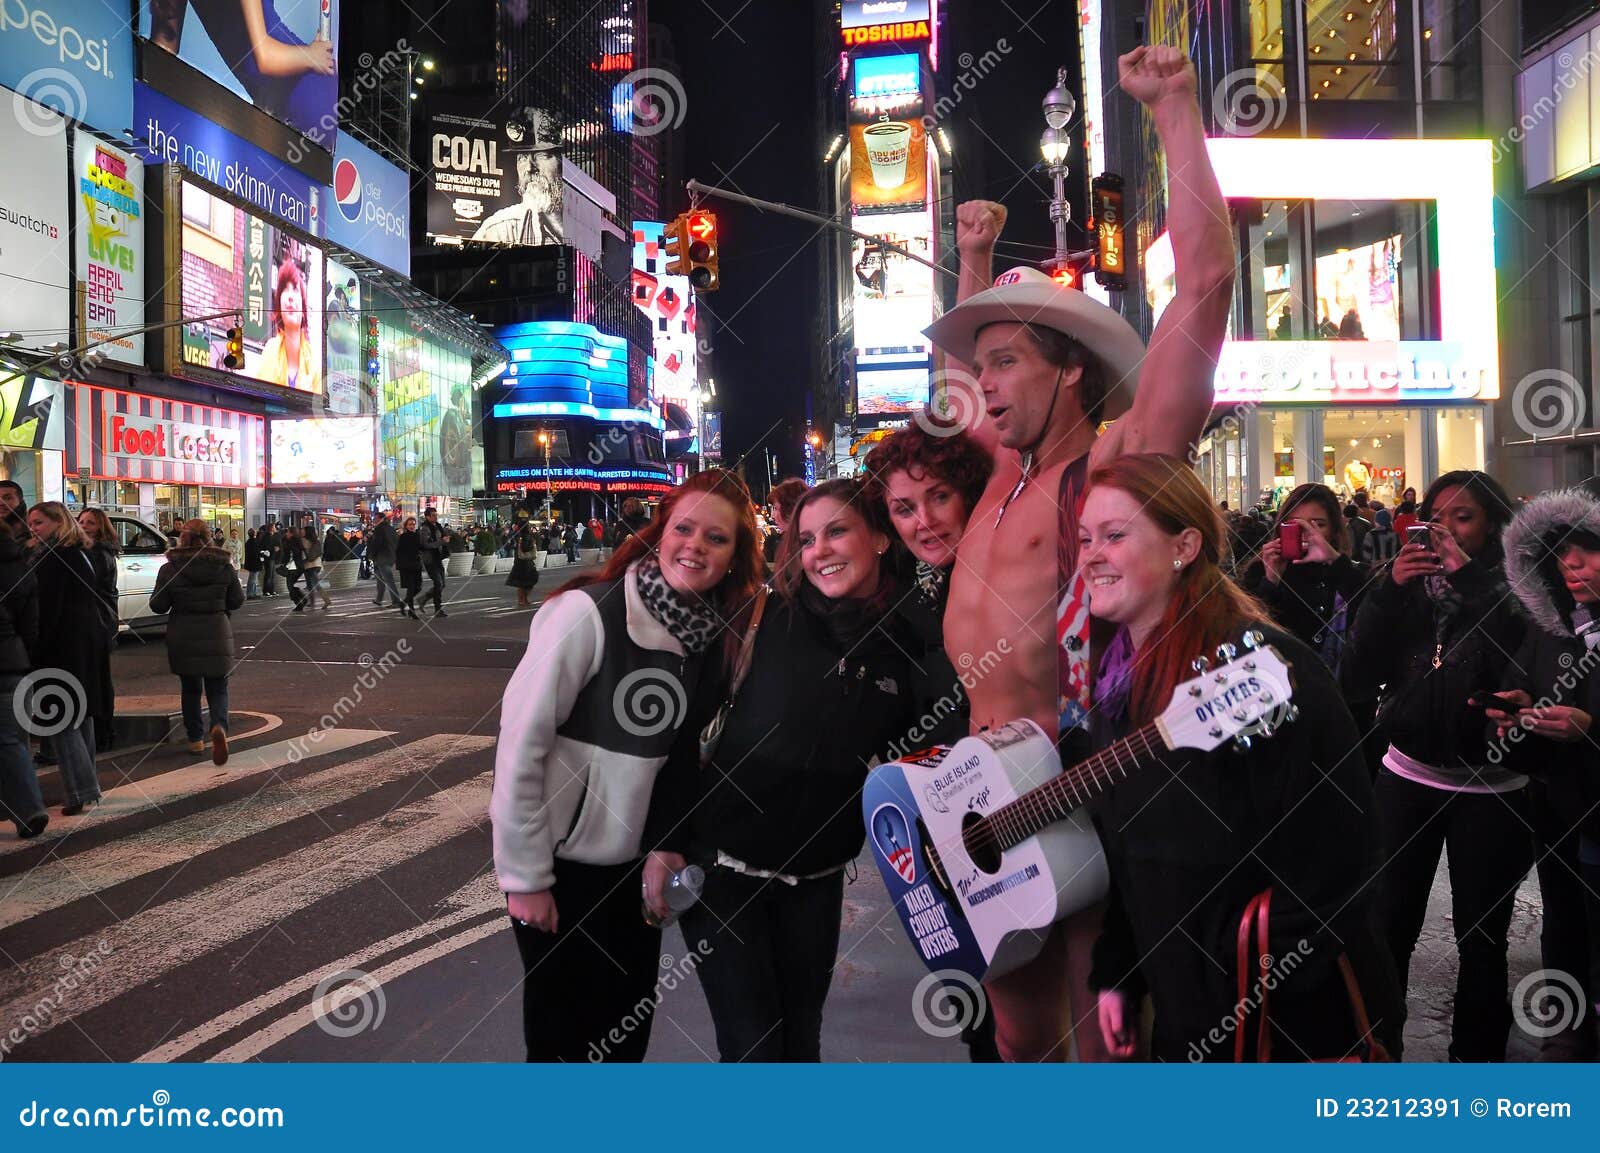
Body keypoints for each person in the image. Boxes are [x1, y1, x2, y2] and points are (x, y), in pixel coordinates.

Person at [925, 44, 1236, 1062]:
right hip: (987, 813)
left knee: (1112, 1057)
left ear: (1067, 372)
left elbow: (1205, 289)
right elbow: (954, 376)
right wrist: (974, 260)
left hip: (1093, 799)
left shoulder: (1108, 470)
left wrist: (1174, 106)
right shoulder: (994, 478)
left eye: (1006, 362)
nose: (982, 383)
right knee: (1021, 1052)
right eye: (982, 367)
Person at [1079, 455, 1399, 1062]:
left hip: (1289, 1028)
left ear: (1184, 546)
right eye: (1084, 538)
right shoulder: (1120, 678)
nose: (1092, 555)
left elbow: (1343, 861)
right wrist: (1121, 972)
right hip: (1186, 1014)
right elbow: (1130, 851)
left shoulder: (1265, 671)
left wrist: (1234, 967)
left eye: (1115, 535)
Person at [492, 469, 763, 1062]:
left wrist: (667, 846)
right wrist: (524, 878)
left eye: (716, 538)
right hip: (562, 868)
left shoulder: (707, 637)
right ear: (659, 533)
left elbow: (681, 760)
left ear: (734, 558)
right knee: (562, 1047)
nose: (695, 546)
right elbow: (520, 746)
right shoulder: (586, 613)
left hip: (633, 873)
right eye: (683, 529)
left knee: (624, 1041)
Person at [668, 479, 916, 1062]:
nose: (819, 551)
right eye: (806, 539)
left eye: (837, 532)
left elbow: (920, 759)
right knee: (753, 1049)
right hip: (725, 874)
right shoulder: (761, 616)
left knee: (802, 1044)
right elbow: (680, 735)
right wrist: (664, 844)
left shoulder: (906, 641)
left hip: (818, 881)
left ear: (879, 537)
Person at [1340, 470, 1528, 1061]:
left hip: (1494, 787)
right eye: (1435, 517)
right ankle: (1380, 1058)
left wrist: (1468, 579)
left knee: (1482, 939)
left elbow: (1521, 657)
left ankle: (1476, 1071)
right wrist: (1389, 591)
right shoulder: (1404, 586)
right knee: (1388, 928)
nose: (1445, 530)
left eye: (1463, 517)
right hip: (1408, 776)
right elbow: (1356, 675)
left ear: (1493, 526)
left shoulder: (1522, 585)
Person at [860, 425, 999, 1063]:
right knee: (980, 1017)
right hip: (940, 841)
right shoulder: (903, 595)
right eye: (903, 508)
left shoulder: (1004, 579)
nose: (924, 521)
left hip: (1020, 818)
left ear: (968, 493)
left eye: (938, 497)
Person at [1494, 489, 1600, 1059]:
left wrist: (1591, 729)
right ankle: (1570, 1026)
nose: (1571, 564)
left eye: (1589, 549)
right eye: (1561, 552)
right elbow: (1524, 682)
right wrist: (1517, 709)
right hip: (1559, 805)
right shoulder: (1550, 626)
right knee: (1563, 917)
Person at [23, 503, 111, 817]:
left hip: (62, 649)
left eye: (38, 523)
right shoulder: (77, 552)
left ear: (57, 522)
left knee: (63, 720)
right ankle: (86, 787)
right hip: (82, 644)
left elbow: (48, 611)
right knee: (79, 718)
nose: (32, 528)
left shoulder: (54, 557)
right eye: (31, 523)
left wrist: (34, 649)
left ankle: (79, 791)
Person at [1242, 483, 1370, 674]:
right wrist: (1271, 580)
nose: (1307, 532)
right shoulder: (1260, 570)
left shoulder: (1349, 572)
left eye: (1318, 525)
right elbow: (1249, 635)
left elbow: (1372, 619)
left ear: (1334, 529)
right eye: (1295, 524)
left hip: (1343, 686)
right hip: (1284, 683)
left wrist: (1335, 561)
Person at [148, 519, 243, 765]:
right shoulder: (223, 565)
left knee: (190, 689)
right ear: (209, 536)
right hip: (217, 630)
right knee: (218, 687)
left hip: (183, 632)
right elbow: (237, 600)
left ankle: (195, 739)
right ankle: (219, 726)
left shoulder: (170, 568)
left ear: (182, 537)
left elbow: (158, 605)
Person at [0, 509, 44, 839]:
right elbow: (31, 626)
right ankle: (29, 808)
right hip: (13, 662)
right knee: (11, 741)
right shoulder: (22, 567)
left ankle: (25, 808)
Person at [75, 508, 121, 749]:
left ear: (101, 528)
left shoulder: (97, 554)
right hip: (101, 619)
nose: (83, 525)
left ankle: (104, 732)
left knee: (98, 680)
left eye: (90, 523)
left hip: (99, 621)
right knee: (98, 678)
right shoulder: (92, 551)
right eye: (81, 521)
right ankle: (103, 732)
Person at [257, 258, 320, 393]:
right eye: (285, 290)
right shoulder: (269, 352)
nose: (290, 297)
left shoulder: (314, 362)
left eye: (295, 289)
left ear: (303, 309)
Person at [764, 478, 808, 568]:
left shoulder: (812, 544)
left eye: (776, 508)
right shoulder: (774, 542)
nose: (772, 515)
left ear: (791, 509)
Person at [418, 507, 451, 617]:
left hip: (437, 558)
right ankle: (438, 609)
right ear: (427, 517)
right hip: (429, 559)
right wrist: (441, 542)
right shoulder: (425, 528)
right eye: (433, 515)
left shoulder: (438, 526)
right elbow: (425, 545)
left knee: (442, 584)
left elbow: (441, 539)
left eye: (436, 515)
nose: (436, 517)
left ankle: (424, 599)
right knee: (438, 583)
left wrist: (445, 540)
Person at [366, 511, 401, 607]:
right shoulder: (390, 528)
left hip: (382, 557)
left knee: (389, 580)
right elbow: (396, 541)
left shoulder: (379, 529)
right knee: (380, 579)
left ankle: (396, 601)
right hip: (389, 556)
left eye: (375, 518)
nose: (374, 520)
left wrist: (371, 554)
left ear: (380, 519)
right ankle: (379, 599)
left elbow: (377, 544)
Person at [506, 522, 540, 609]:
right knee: (527, 582)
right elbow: (525, 548)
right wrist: (533, 544)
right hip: (526, 563)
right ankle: (523, 599)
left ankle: (522, 600)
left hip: (519, 562)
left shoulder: (517, 535)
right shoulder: (526, 536)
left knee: (522, 583)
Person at [395, 517, 423, 620]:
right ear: (406, 526)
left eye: (413, 524)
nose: (412, 526)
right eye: (410, 524)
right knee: (410, 588)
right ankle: (411, 611)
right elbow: (398, 551)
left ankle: (403, 603)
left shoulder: (417, 535)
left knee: (418, 587)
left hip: (416, 564)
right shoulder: (403, 537)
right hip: (406, 565)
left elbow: (420, 548)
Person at [299, 525, 331, 611]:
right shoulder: (316, 541)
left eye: (303, 530)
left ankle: (326, 600)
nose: (301, 532)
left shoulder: (303, 540)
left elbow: (302, 552)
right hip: (317, 564)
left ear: (307, 532)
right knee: (311, 583)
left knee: (314, 583)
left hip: (309, 565)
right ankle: (312, 602)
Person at [279, 521, 307, 609]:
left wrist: (283, 563)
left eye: (288, 532)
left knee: (290, 586)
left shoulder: (290, 542)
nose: (286, 533)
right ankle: (302, 598)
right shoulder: (298, 541)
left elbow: (288, 555)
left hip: (293, 566)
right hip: (299, 566)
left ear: (291, 533)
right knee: (291, 585)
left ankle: (299, 602)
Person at [242, 527, 263, 599]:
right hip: (254, 562)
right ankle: (250, 594)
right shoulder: (253, 542)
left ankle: (253, 593)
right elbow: (255, 552)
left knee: (253, 578)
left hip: (251, 562)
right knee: (253, 579)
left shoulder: (249, 542)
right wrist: (261, 553)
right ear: (254, 534)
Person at [261, 522, 280, 597]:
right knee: (268, 574)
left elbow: (277, 543)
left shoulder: (274, 535)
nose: (275, 528)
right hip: (268, 557)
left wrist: (277, 548)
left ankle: (271, 590)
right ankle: (266, 591)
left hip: (273, 556)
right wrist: (273, 548)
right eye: (274, 527)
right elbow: (265, 546)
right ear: (271, 528)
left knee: (272, 575)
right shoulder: (266, 536)